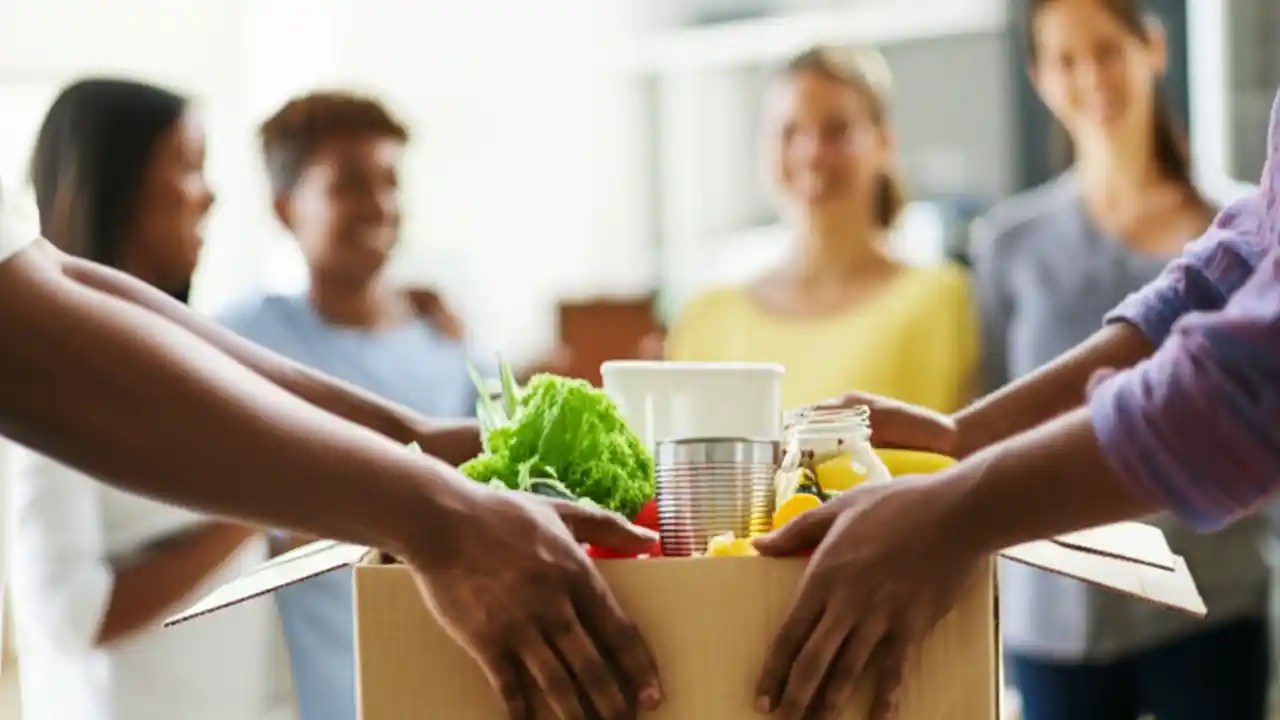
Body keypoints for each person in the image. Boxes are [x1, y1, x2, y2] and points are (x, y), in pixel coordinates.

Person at [0, 134, 664, 720]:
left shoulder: (434, 329)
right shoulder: (259, 323)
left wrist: (414, 441)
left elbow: (46, 277)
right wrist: (432, 512)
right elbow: (24, 328)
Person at [747, 86, 1280, 720]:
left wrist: (954, 513)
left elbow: (1247, 386)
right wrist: (965, 439)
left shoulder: (935, 292)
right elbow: (1239, 263)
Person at [970, 1, 1268, 717]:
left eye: (1107, 49)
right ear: (1039, 77)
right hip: (1055, 621)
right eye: (1065, 59)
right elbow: (994, 411)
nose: (1091, 76)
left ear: (1153, 48)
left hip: (1208, 603)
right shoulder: (1006, 245)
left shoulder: (1246, 231)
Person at [6, 78, 295, 720]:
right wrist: (256, 510)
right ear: (116, 185)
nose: (211, 194)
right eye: (189, 167)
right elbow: (70, 616)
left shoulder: (185, 357)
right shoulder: (61, 377)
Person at [218, 91, 492, 720]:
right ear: (286, 208)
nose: (379, 204)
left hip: (454, 686)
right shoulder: (244, 340)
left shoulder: (449, 345)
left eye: (390, 181)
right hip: (316, 696)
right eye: (347, 184)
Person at [665, 46, 976, 413]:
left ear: (884, 143)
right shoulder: (707, 318)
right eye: (790, 132)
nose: (811, 153)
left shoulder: (942, 299)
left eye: (836, 131)